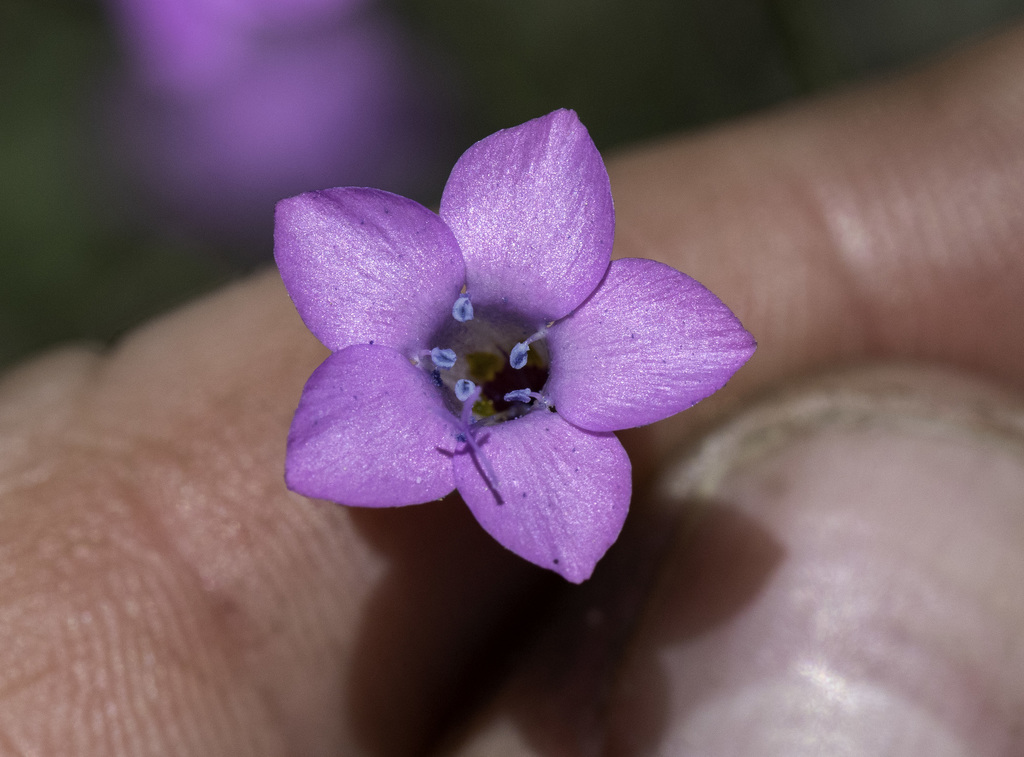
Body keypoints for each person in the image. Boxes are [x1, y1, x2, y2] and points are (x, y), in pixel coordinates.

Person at [1, 22, 1023, 756]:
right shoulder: (361, 336)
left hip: (528, 436)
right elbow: (334, 419)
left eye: (503, 365)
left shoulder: (545, 228)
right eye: (481, 368)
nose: (493, 369)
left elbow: (671, 365)